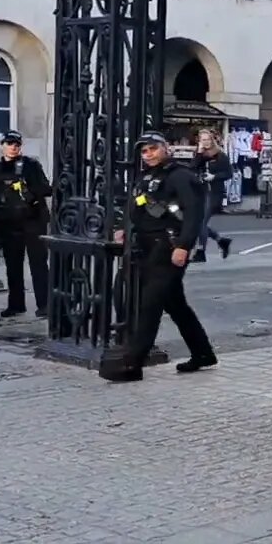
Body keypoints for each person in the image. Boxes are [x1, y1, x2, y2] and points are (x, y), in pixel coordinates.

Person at [99, 130, 218, 382]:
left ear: (166, 148)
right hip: (145, 246)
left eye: (153, 148)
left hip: (168, 246)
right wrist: (123, 227)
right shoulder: (146, 176)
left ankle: (132, 363)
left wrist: (184, 245)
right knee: (175, 305)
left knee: (150, 304)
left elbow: (195, 213)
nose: (148, 154)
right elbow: (135, 206)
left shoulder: (180, 176)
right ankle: (203, 353)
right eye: (144, 151)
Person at [0, 130, 51, 318]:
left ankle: (44, 304)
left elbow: (47, 189)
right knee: (12, 265)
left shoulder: (30, 165)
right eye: (9, 143)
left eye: (17, 144)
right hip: (8, 222)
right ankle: (16, 304)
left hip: (32, 220)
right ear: (1, 146)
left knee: (38, 263)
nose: (13, 147)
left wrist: (27, 187)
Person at [189, 128, 233, 262]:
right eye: (203, 140)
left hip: (214, 192)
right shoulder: (201, 155)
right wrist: (199, 152)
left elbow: (229, 173)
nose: (206, 142)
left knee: (201, 221)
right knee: (197, 222)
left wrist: (214, 176)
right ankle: (221, 240)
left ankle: (201, 251)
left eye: (207, 140)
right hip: (201, 190)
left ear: (212, 140)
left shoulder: (220, 155)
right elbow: (192, 168)